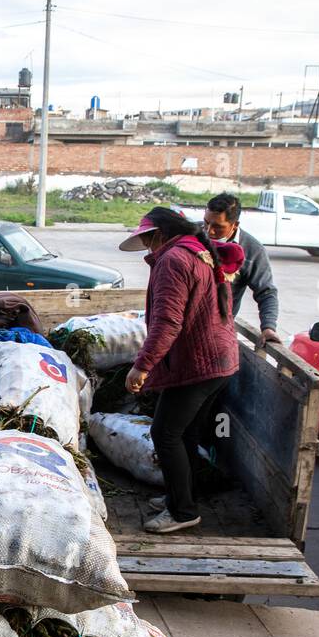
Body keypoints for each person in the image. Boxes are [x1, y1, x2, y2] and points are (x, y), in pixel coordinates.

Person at [119, 208, 245, 534]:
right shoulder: (198, 251)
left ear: (159, 233)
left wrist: (142, 366)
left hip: (198, 364)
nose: (147, 248)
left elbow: (167, 323)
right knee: (186, 433)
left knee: (165, 433)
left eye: (148, 239)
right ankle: (181, 497)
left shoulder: (174, 260)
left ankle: (183, 511)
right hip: (219, 361)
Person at [203, 193, 281, 345]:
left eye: (218, 227)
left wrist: (268, 326)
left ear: (235, 225)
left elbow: (266, 292)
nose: (209, 231)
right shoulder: (194, 236)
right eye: (206, 223)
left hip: (217, 333)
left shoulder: (252, 251)